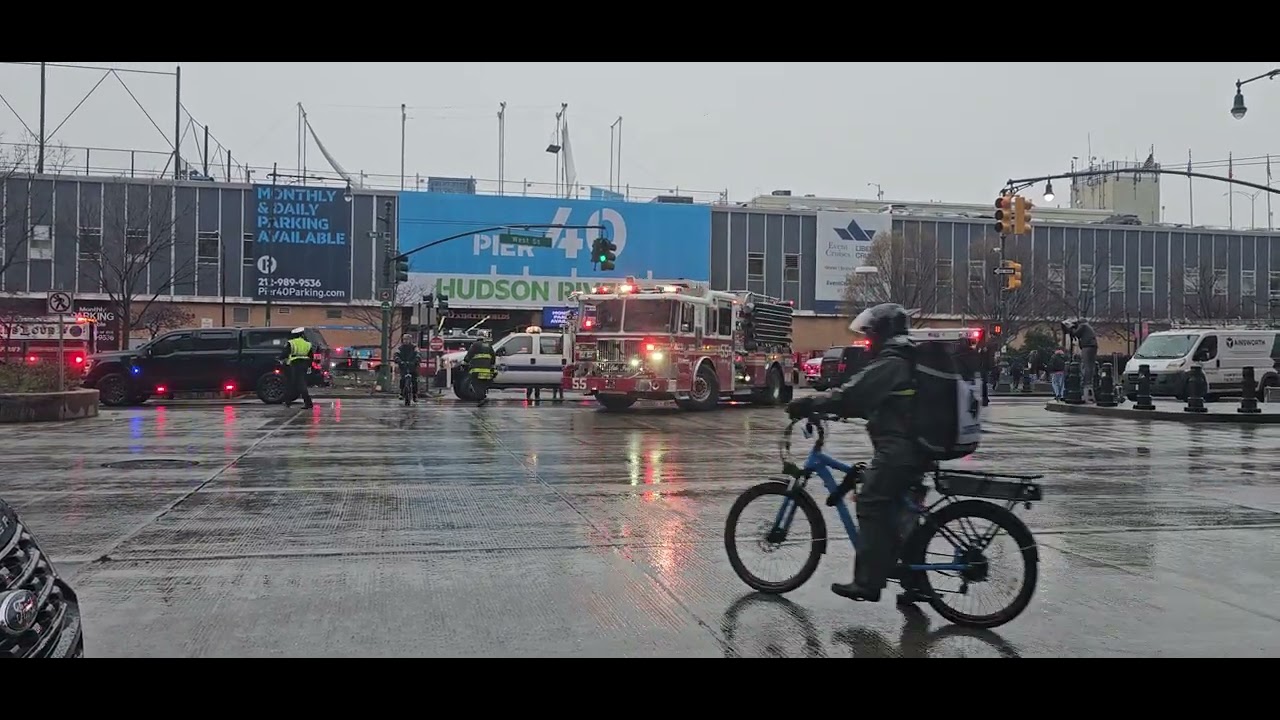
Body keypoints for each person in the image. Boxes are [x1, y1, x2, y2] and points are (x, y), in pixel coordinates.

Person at [785, 302, 928, 605]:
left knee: (870, 501)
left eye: (870, 333)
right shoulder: (905, 356)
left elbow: (852, 394)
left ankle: (867, 583)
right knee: (902, 512)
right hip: (913, 447)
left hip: (899, 449)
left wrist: (811, 403)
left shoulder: (892, 361)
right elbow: (879, 402)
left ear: (883, 333)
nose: (867, 340)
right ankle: (915, 581)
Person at [1063, 320, 1098, 402]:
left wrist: (1070, 328)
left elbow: (1076, 334)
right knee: (1090, 366)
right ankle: (1089, 382)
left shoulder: (1083, 325)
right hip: (1093, 346)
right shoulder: (1088, 327)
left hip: (1087, 346)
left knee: (1086, 366)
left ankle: (1086, 383)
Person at [280, 327, 314, 410]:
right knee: (300, 382)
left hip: (294, 364)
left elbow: (285, 353)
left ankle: (306, 403)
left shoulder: (291, 343)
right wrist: (309, 366)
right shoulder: (307, 344)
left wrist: (280, 359)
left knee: (294, 383)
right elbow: (311, 356)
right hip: (304, 364)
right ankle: (290, 401)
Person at [463, 336, 496, 406]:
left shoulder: (475, 345)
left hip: (476, 369)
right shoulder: (488, 345)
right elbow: (493, 357)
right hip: (487, 370)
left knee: (476, 384)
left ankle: (481, 399)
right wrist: (492, 367)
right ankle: (483, 396)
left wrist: (464, 363)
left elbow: (469, 354)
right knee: (483, 384)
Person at [394, 333, 421, 403]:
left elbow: (418, 354)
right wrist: (399, 361)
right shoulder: (400, 348)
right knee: (402, 379)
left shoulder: (414, 347)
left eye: (407, 339)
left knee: (415, 381)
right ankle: (401, 393)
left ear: (410, 340)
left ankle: (415, 394)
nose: (405, 341)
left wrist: (416, 360)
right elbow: (396, 355)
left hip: (413, 366)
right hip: (403, 366)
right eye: (404, 339)